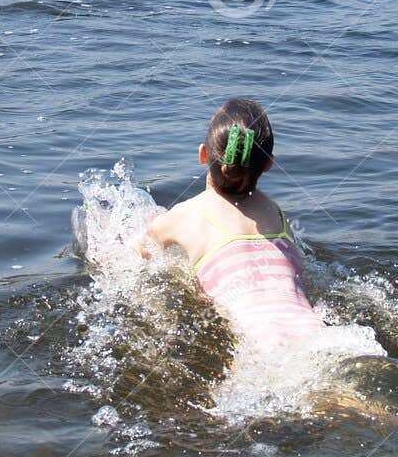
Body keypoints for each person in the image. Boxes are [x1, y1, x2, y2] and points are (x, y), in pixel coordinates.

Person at [140, 97, 327, 354]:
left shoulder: (185, 215)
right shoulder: (277, 214)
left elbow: (139, 253)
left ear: (203, 154)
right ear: (269, 163)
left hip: (261, 343)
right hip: (321, 333)